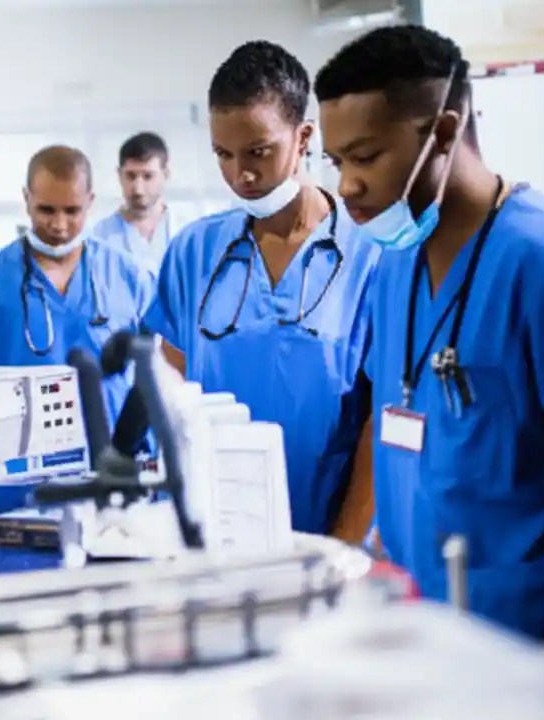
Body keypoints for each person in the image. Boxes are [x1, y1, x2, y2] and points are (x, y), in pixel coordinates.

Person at [316, 25, 544, 704]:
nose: (348, 185)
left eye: (364, 155)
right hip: (426, 638)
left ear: (444, 131)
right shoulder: (393, 266)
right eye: (335, 161)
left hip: (522, 644)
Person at [143, 41, 380, 540]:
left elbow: (379, 427)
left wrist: (342, 549)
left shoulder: (371, 256)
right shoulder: (194, 253)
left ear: (304, 137)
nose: (240, 175)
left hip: (326, 533)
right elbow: (172, 398)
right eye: (223, 154)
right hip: (212, 535)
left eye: (258, 152)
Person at [0, 145, 154, 433]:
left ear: (90, 201)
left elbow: (155, 375)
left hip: (115, 456)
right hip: (25, 463)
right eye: (46, 210)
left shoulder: (130, 277)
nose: (59, 225)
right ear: (26, 199)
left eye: (72, 211)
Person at [91, 132, 178, 275]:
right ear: (119, 175)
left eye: (148, 176)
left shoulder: (187, 229)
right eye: (130, 176)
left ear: (166, 175)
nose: (138, 188)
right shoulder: (100, 237)